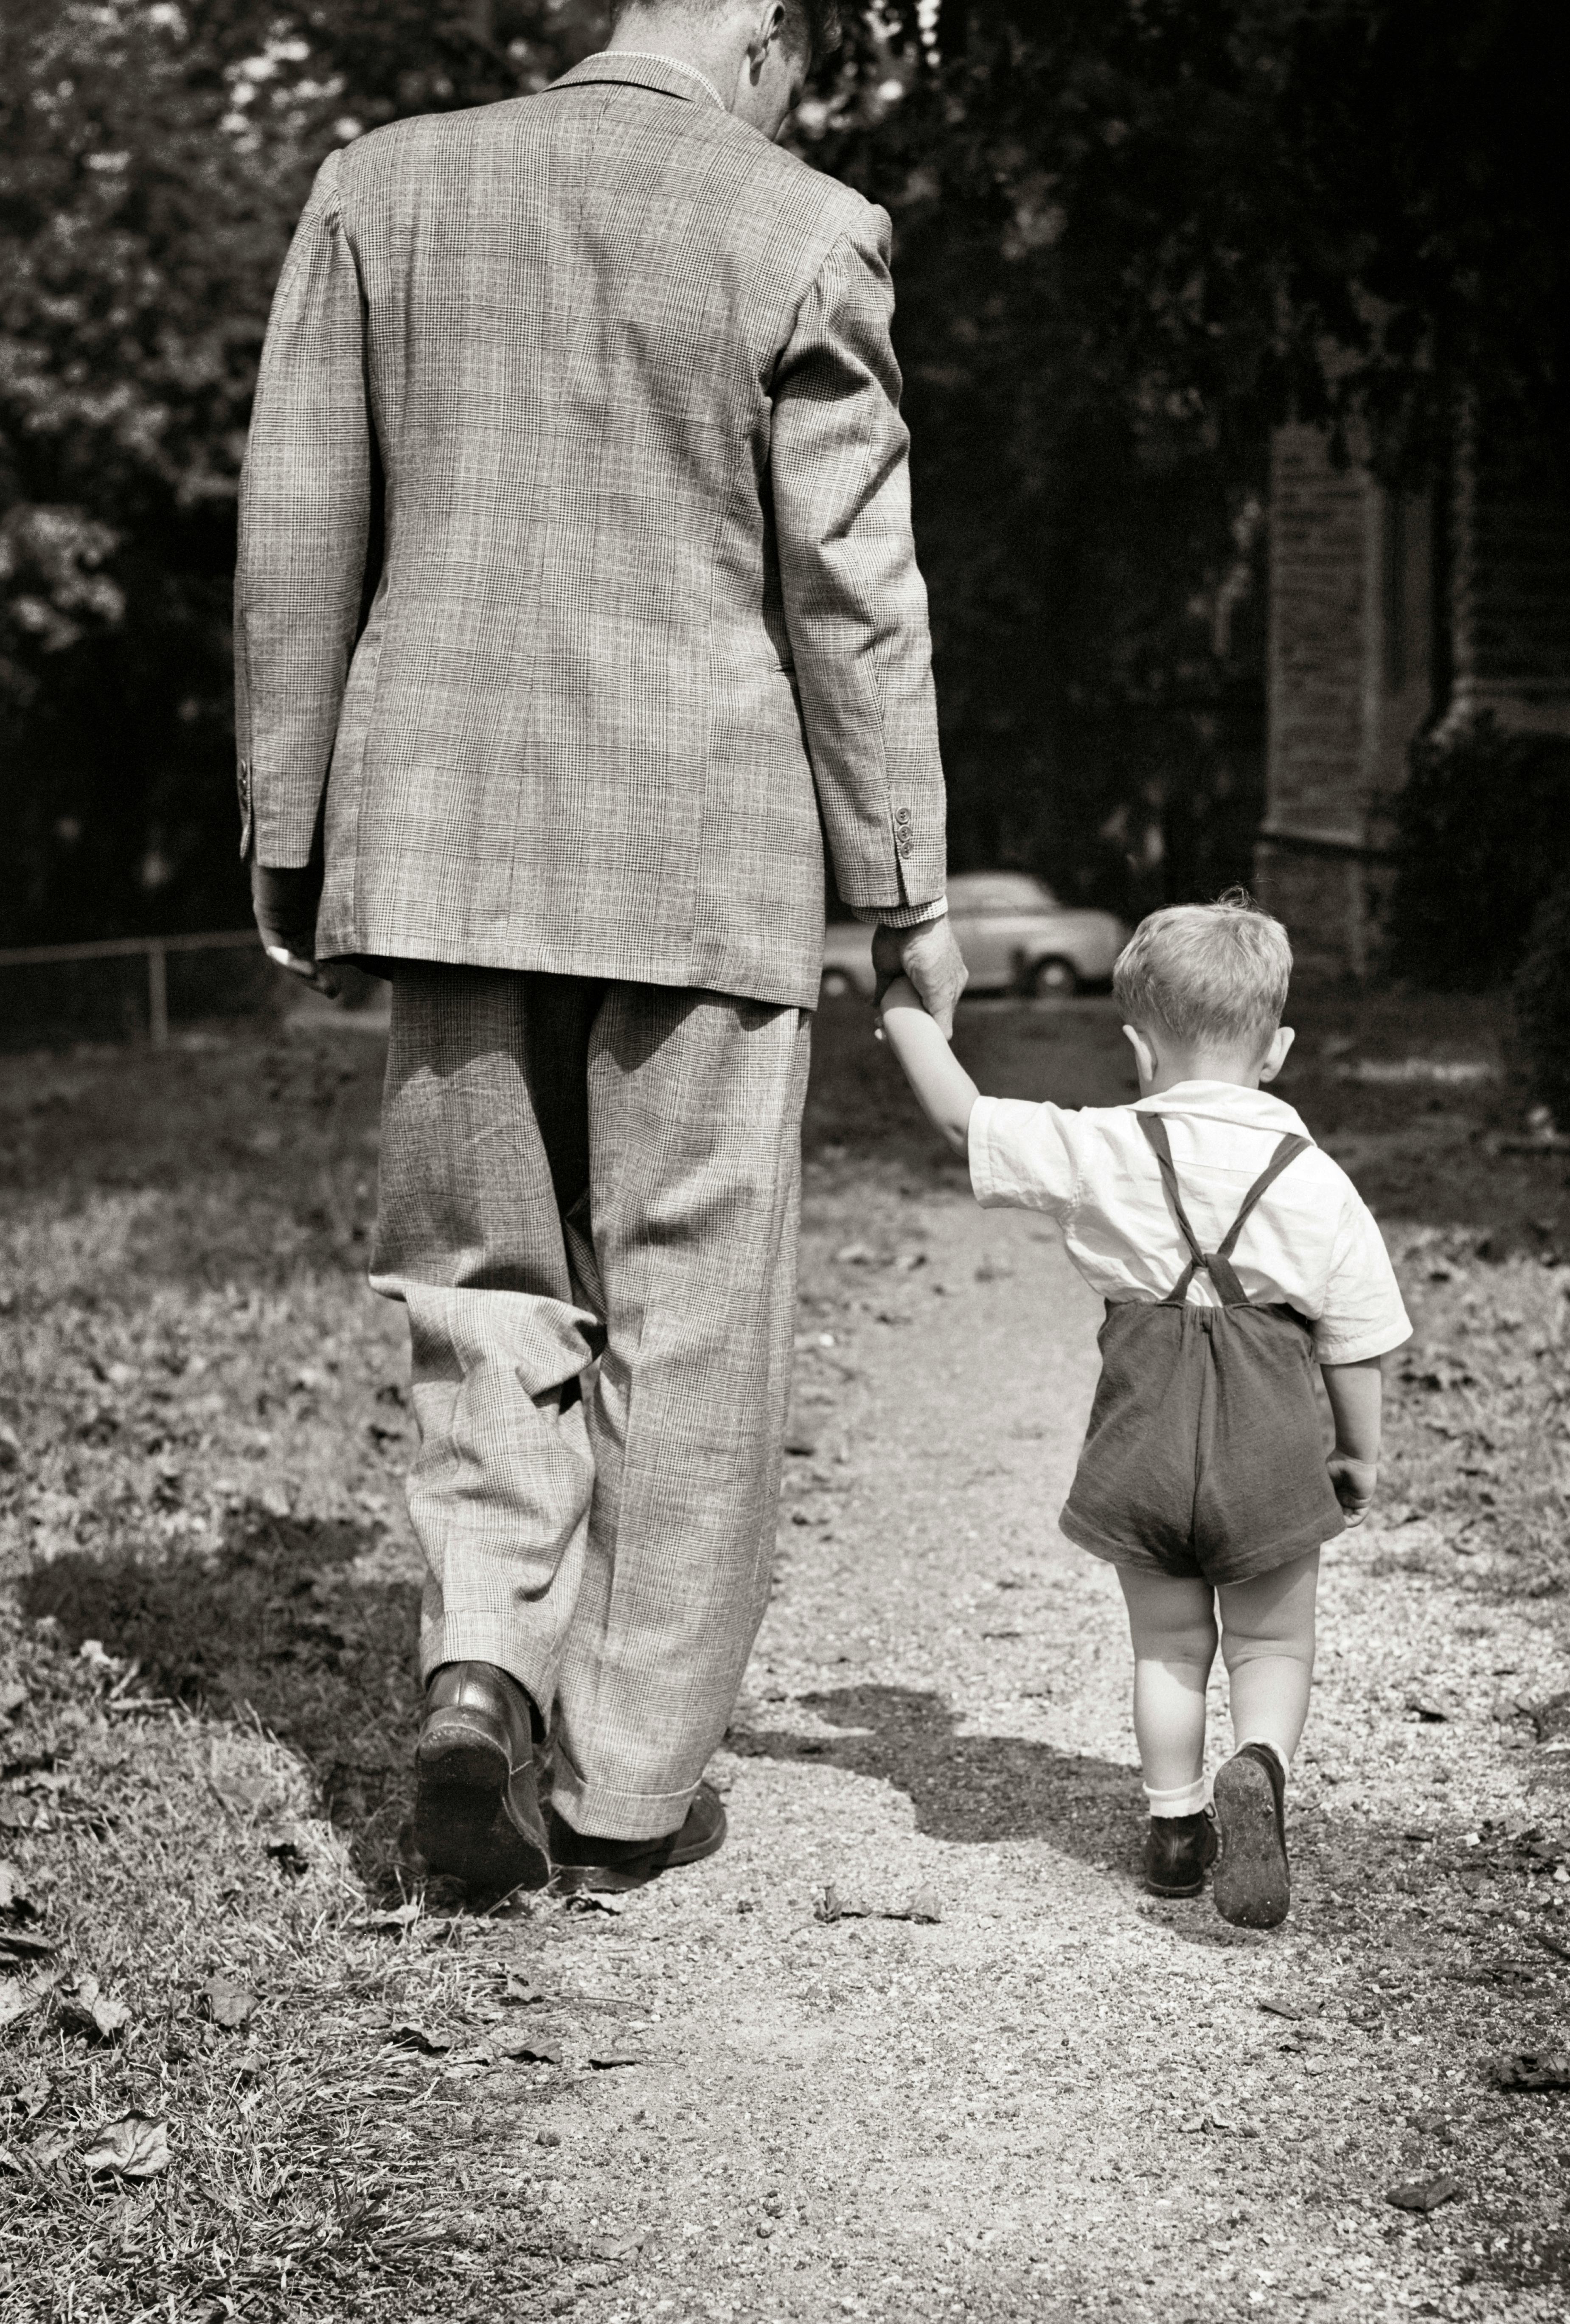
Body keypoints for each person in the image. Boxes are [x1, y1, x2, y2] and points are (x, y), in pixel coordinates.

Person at [234, 0, 966, 1894]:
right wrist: (906, 895)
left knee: (480, 1272)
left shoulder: (380, 191)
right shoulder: (803, 226)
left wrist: (300, 831)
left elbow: (299, 528)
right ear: (767, 38)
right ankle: (630, 1781)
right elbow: (854, 591)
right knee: (694, 1302)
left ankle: (483, 1654)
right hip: (706, 853)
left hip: (452, 829)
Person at [874, 891, 1409, 1925]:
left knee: (1166, 1644)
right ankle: (1257, 1763)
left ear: (1134, 1048)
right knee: (1270, 1643)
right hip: (1269, 1445)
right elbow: (1359, 1335)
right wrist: (1360, 1456)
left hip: (1144, 1439)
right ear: (1279, 1049)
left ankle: (1174, 1826)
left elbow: (961, 1118)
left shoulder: (1101, 1146)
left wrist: (905, 1003)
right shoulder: (1316, 1179)